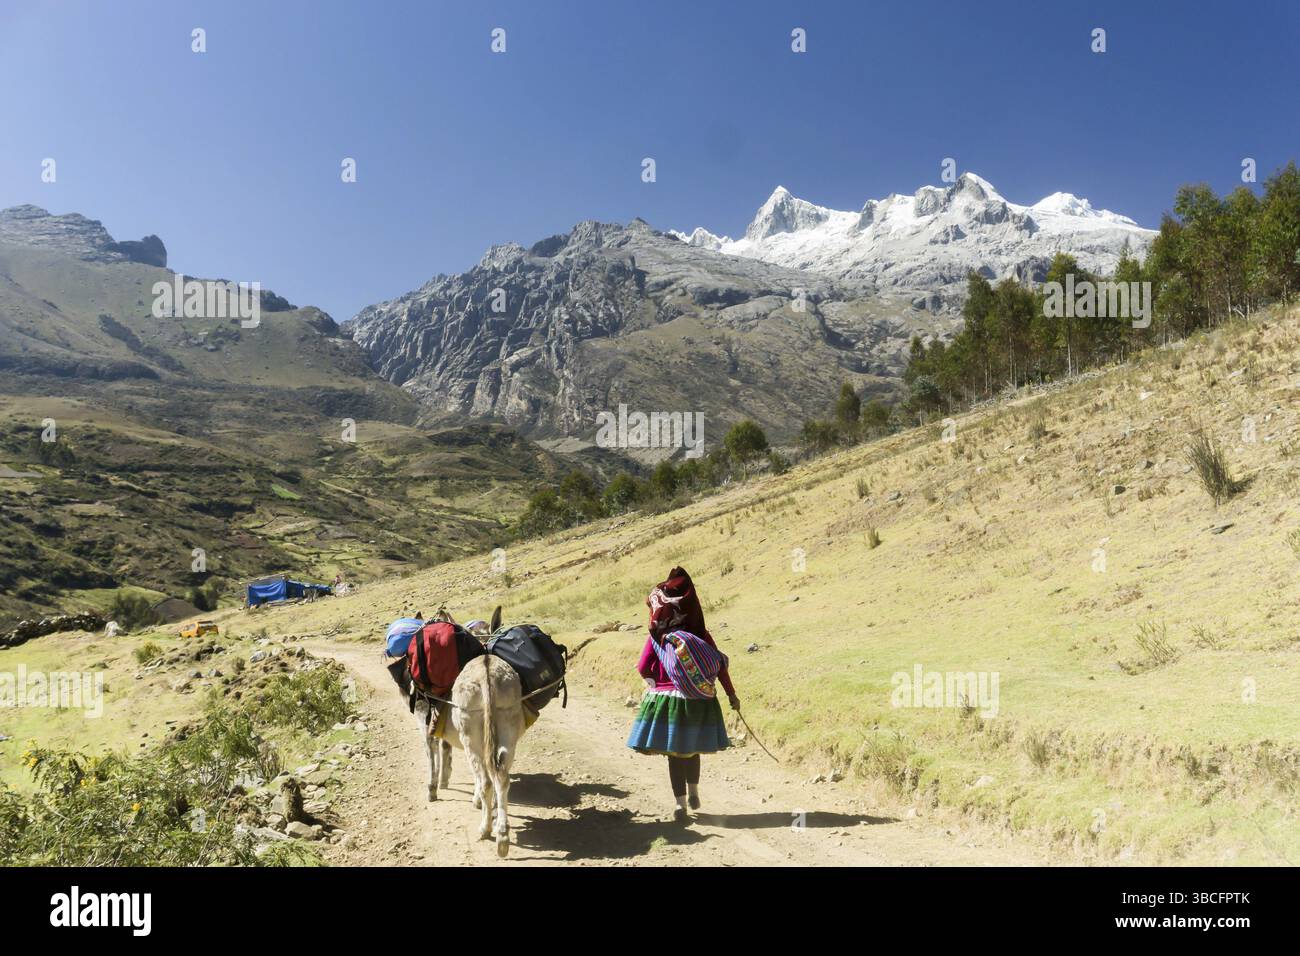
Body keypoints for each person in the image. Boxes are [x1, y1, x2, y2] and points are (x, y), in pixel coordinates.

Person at [626, 567, 739, 822]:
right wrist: (732, 695)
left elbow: (643, 665)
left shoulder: (658, 636)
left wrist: (655, 683)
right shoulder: (701, 634)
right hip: (700, 699)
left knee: (674, 754)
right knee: (692, 749)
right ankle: (694, 791)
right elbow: (719, 666)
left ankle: (680, 805)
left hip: (668, 700)